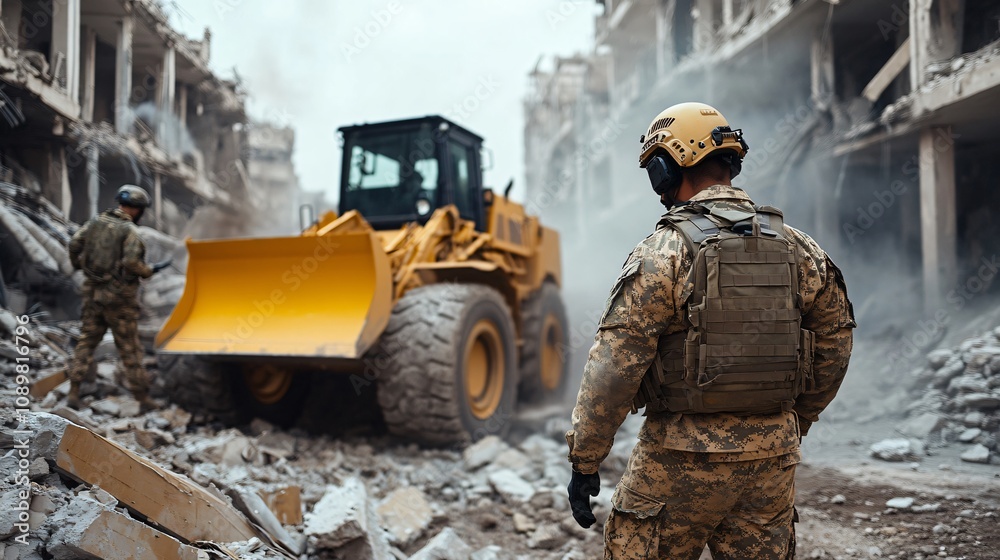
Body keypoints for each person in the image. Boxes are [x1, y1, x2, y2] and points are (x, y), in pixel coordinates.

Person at [565, 102, 856, 559]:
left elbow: (614, 367)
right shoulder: (800, 248)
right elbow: (836, 342)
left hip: (678, 460)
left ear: (667, 167)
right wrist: (798, 418)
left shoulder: (663, 252)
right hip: (771, 459)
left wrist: (586, 460)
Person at [66, 185, 171, 411]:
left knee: (86, 342)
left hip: (93, 295)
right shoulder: (129, 231)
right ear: (136, 210)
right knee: (129, 348)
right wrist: (149, 271)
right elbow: (132, 263)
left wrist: (79, 266)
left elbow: (74, 244)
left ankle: (73, 392)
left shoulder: (94, 223)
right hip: (119, 301)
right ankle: (143, 399)